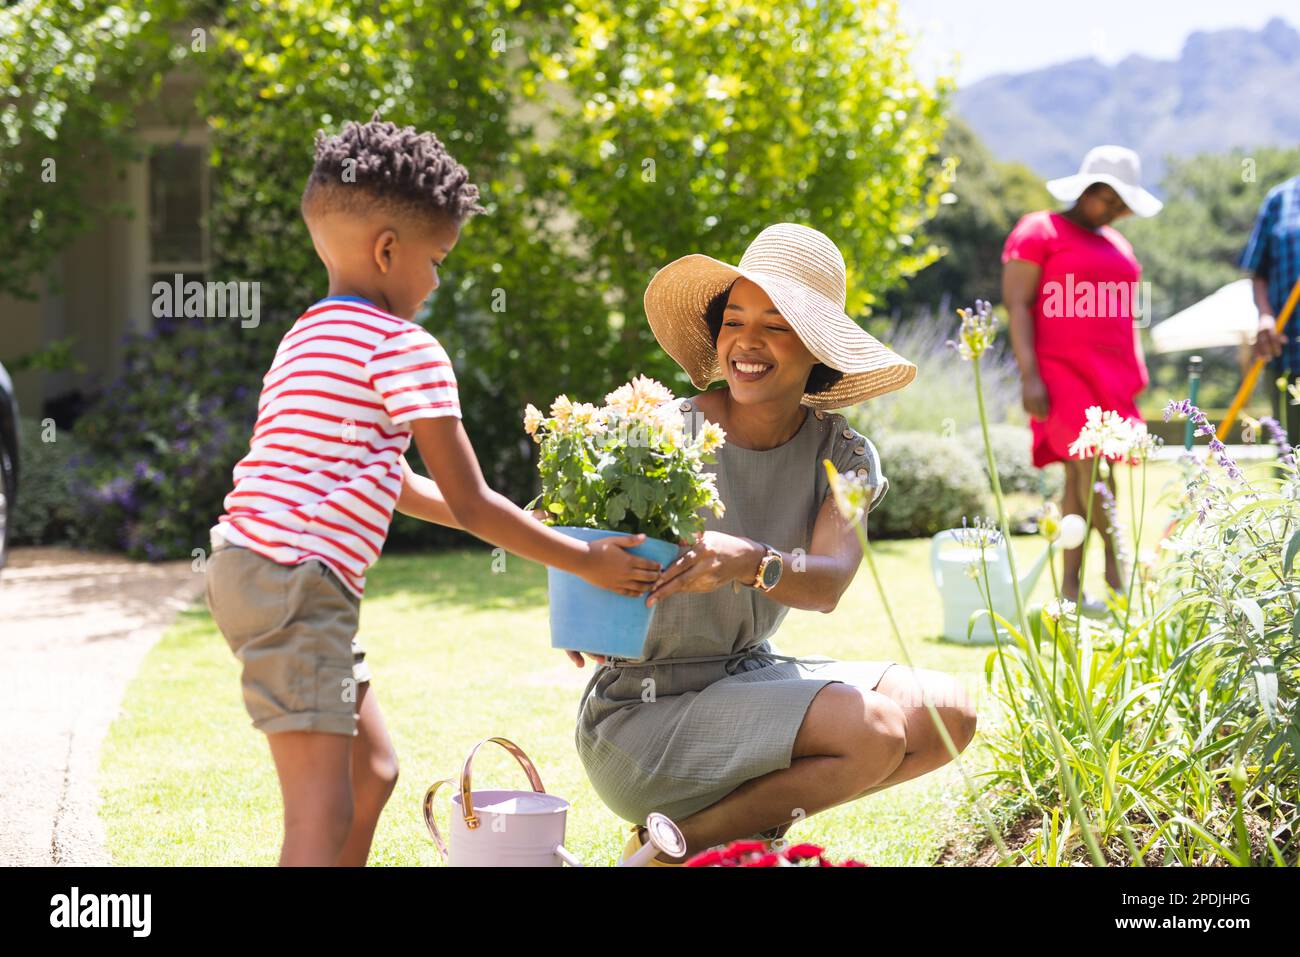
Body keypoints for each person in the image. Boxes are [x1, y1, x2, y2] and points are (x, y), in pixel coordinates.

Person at [204, 113, 661, 866]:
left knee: (372, 768)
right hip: (298, 582)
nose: (439, 278)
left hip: (254, 568)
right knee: (316, 820)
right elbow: (474, 499)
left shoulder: (308, 335)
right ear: (389, 250)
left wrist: (525, 522)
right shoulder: (403, 346)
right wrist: (582, 561)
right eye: (438, 258)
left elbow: (394, 482)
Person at [562, 223, 978, 864]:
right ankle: (673, 848)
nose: (747, 343)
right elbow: (563, 525)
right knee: (870, 729)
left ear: (819, 347)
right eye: (734, 320)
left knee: (950, 710)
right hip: (643, 712)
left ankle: (713, 834)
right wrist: (577, 597)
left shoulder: (843, 454)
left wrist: (751, 562)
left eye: (777, 325)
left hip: (748, 676)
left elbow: (830, 580)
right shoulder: (664, 433)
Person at [1001, 145, 1162, 609]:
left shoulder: (1119, 244)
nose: (1116, 211)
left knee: (1088, 475)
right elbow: (1017, 305)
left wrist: (1136, 365)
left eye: (1122, 205)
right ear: (1087, 189)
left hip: (1111, 377)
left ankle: (1074, 589)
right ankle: (1115, 574)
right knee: (1089, 467)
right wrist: (1030, 375)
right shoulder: (1040, 231)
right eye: (1109, 200)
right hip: (1060, 373)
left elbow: (1127, 314)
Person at [1242, 173, 1300, 445]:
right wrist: (1265, 316)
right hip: (1286, 352)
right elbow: (1258, 271)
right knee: (1290, 457)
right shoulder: (1280, 199)